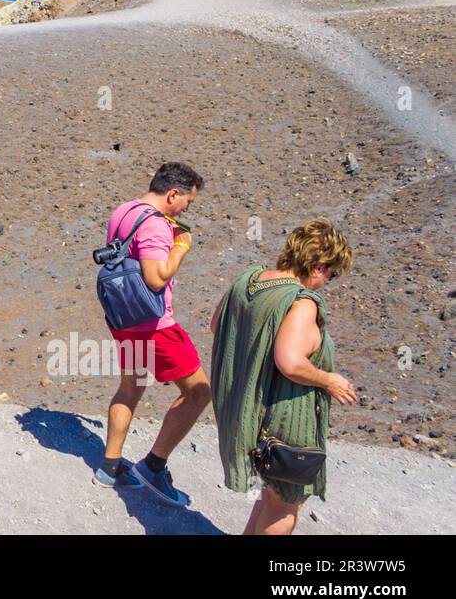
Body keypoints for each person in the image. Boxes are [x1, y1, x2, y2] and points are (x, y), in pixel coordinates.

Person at [211, 218, 355, 535]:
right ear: (318, 265)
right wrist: (329, 380)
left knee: (271, 494)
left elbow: (217, 326)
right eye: (333, 273)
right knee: (287, 502)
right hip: (283, 418)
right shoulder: (301, 302)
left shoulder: (247, 281)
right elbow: (290, 362)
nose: (330, 280)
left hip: (244, 412)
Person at [93, 161, 212, 505]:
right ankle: (153, 466)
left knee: (130, 387)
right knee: (199, 392)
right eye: (188, 201)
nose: (188, 207)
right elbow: (156, 278)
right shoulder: (157, 225)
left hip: (123, 318)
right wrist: (181, 246)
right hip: (155, 327)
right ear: (173, 194)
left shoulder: (124, 210)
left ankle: (110, 467)